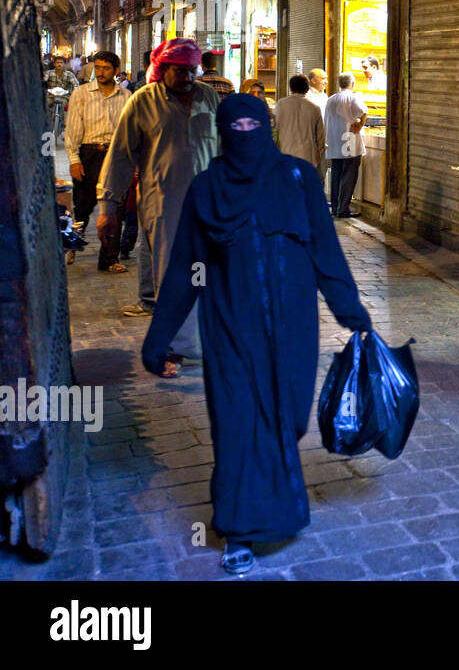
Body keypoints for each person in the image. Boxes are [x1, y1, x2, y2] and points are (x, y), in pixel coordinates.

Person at [139, 93, 372, 575]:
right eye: (235, 124)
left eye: (253, 123)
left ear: (265, 127)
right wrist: (159, 335)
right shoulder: (207, 188)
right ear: (224, 132)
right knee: (239, 422)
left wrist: (351, 310)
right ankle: (240, 529)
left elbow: (325, 250)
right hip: (230, 327)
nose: (244, 131)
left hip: (293, 327)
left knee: (287, 420)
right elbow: (187, 268)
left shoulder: (298, 177)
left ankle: (281, 510)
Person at [97, 38, 220, 373]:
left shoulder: (209, 98)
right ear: (163, 69)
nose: (187, 76)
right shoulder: (143, 102)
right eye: (179, 70)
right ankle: (174, 346)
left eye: (191, 70)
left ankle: (201, 341)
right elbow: (121, 155)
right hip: (164, 205)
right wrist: (108, 207)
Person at [64, 50, 130, 272]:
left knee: (115, 208)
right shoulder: (81, 94)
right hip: (89, 154)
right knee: (83, 205)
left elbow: (129, 131)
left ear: (116, 71)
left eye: (106, 68)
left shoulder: (125, 96)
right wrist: (74, 160)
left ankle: (109, 259)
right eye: (98, 67)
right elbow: (73, 129)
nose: (100, 72)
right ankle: (72, 245)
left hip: (115, 156)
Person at [323, 73, 367, 218]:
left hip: (334, 143)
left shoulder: (330, 99)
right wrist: (361, 124)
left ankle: (335, 208)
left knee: (336, 176)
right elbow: (364, 111)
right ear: (352, 83)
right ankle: (343, 209)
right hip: (349, 143)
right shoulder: (353, 97)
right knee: (349, 176)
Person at [273, 75, 325, 172]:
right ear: (307, 89)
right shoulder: (314, 108)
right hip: (308, 157)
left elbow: (275, 129)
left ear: (291, 88)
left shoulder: (280, 105)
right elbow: (321, 137)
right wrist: (319, 153)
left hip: (286, 154)